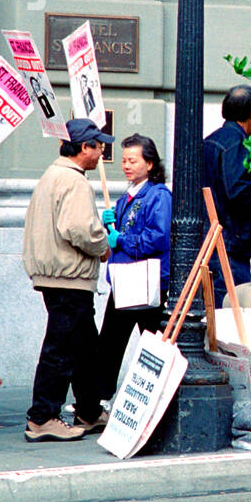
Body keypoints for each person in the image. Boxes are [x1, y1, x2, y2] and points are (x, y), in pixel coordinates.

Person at [21, 118, 113, 442]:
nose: (102, 151)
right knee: (61, 349)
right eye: (98, 145)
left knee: (84, 346)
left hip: (57, 274)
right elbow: (79, 229)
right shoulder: (74, 181)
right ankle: (42, 416)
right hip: (68, 277)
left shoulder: (52, 175)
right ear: (84, 148)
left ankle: (88, 410)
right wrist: (103, 245)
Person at [95, 133, 172, 405]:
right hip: (125, 278)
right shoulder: (126, 197)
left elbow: (158, 237)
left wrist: (122, 239)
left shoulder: (158, 195)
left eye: (133, 160)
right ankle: (99, 400)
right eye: (125, 160)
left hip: (147, 280)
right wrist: (112, 224)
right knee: (109, 344)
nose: (127, 165)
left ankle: (159, 396)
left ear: (149, 164)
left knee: (152, 343)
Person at [203, 85, 251, 286]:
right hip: (230, 243)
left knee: (216, 309)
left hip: (214, 239)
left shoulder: (210, 141)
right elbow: (239, 191)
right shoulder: (238, 144)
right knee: (229, 307)